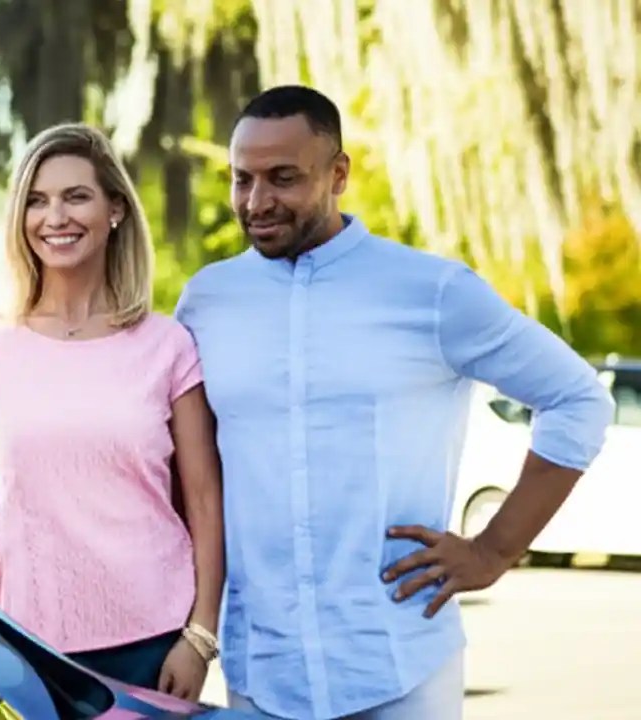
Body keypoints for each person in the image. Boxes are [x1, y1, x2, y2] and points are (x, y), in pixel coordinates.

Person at [174, 84, 615, 719]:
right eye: (241, 179)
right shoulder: (207, 302)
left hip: (399, 665)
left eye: (283, 178)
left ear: (339, 173)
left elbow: (577, 398)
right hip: (263, 671)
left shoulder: (432, 291)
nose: (257, 201)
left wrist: (493, 550)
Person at [0, 122, 226, 701]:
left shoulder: (167, 345)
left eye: (76, 196)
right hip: (28, 647)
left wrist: (199, 637)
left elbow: (204, 502)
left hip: (157, 641)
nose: (55, 217)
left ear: (115, 209)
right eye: (36, 201)